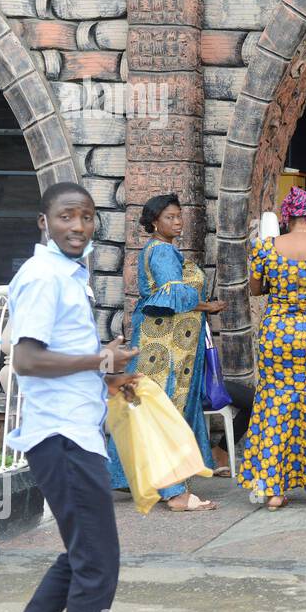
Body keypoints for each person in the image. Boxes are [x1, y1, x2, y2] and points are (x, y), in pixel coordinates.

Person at [0, 183, 142, 612]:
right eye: (66, 217)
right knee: (98, 564)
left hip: (74, 431)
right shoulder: (43, 276)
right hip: (61, 437)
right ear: (43, 222)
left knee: (82, 556)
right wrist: (99, 360)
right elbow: (27, 359)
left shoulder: (69, 274)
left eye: (87, 217)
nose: (78, 227)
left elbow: (60, 354)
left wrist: (108, 377)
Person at [105, 194, 225, 512]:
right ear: (155, 221)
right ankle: (175, 493)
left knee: (150, 408)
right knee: (165, 409)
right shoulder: (160, 252)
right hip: (165, 347)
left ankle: (142, 479)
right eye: (170, 217)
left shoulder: (166, 249)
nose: (177, 221)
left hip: (173, 343)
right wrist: (207, 305)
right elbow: (174, 294)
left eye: (179, 216)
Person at [238, 187, 306, 511]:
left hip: (278, 335)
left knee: (276, 408)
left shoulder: (266, 248)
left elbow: (256, 289)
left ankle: (273, 492)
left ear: (287, 217)